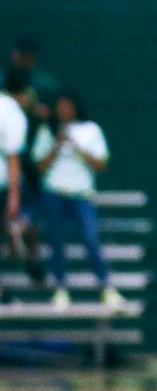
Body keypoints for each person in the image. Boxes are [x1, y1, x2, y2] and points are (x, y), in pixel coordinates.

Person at [32, 92, 118, 308]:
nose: (63, 110)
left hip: (81, 195)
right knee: (56, 241)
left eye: (67, 106)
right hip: (54, 194)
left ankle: (105, 286)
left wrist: (77, 147)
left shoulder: (91, 130)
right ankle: (60, 288)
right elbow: (39, 167)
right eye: (60, 106)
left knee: (90, 238)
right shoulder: (48, 131)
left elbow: (101, 164)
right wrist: (57, 145)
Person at [0, 68, 30, 301]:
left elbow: (12, 155)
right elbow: (13, 156)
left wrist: (13, 194)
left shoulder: (8, 109)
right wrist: (14, 195)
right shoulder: (11, 112)